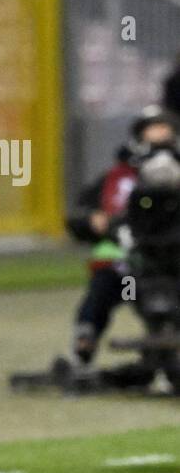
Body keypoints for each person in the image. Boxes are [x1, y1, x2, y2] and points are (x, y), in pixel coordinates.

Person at [66, 106, 179, 366]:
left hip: (174, 269)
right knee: (106, 285)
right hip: (132, 274)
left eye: (164, 128)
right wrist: (93, 221)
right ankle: (86, 342)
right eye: (153, 128)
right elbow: (80, 217)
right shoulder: (117, 178)